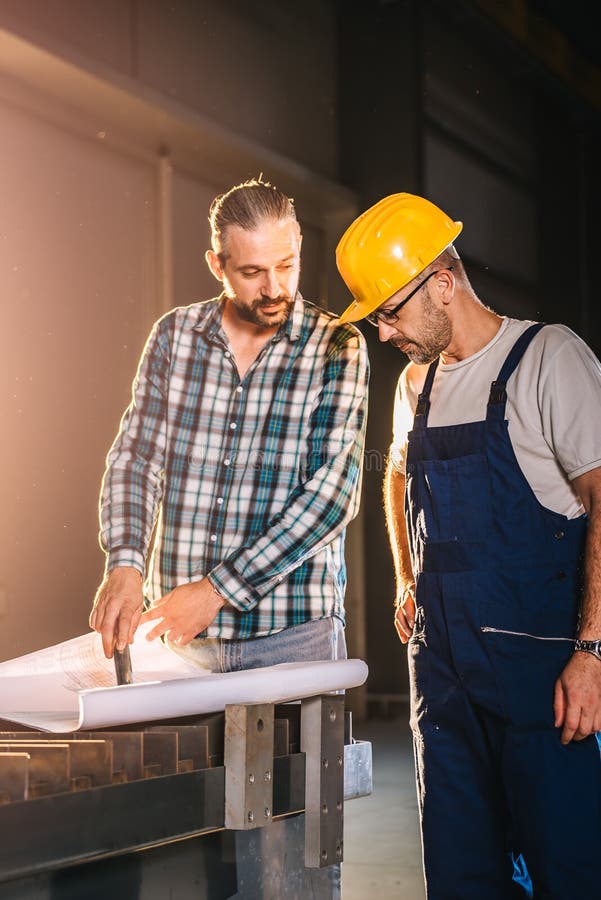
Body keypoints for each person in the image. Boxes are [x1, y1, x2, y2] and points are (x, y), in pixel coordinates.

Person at [335, 192, 601, 899]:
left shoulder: (547, 358)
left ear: (442, 284)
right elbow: (394, 475)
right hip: (444, 683)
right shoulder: (414, 385)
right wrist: (403, 578)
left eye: (389, 312)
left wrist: (592, 652)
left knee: (566, 868)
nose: (384, 332)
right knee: (459, 875)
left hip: (538, 680)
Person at [90, 177, 369, 681]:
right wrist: (125, 564)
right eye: (252, 272)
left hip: (294, 636)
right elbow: (135, 459)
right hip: (177, 641)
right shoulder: (174, 337)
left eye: (286, 265)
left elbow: (332, 496)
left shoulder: (338, 346)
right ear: (217, 265)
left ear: (300, 246)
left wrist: (216, 591)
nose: (275, 289)